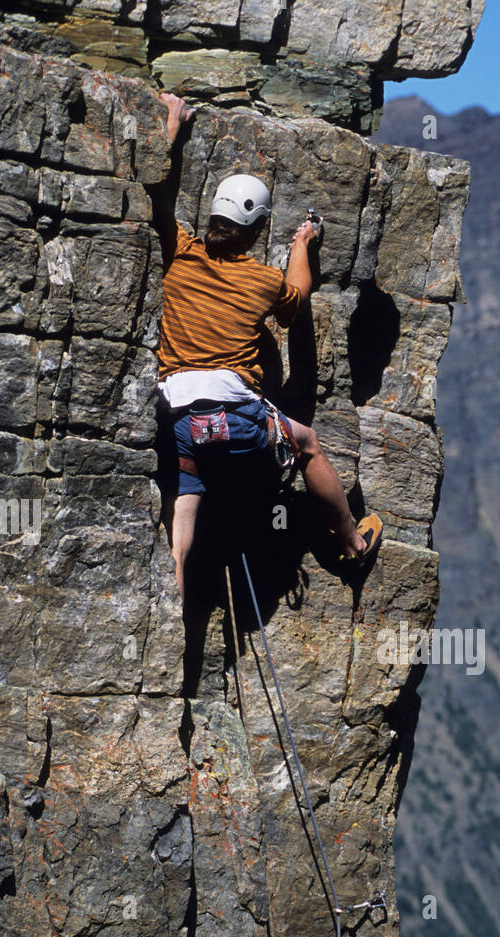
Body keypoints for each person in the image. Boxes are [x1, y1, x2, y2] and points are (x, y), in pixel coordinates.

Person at [154, 93, 382, 599]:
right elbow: (297, 300)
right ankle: (350, 542)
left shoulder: (180, 253)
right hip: (234, 416)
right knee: (305, 442)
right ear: (256, 232)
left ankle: (173, 593)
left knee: (185, 499)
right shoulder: (262, 282)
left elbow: (159, 193)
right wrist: (303, 244)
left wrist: (175, 124)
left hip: (178, 417)